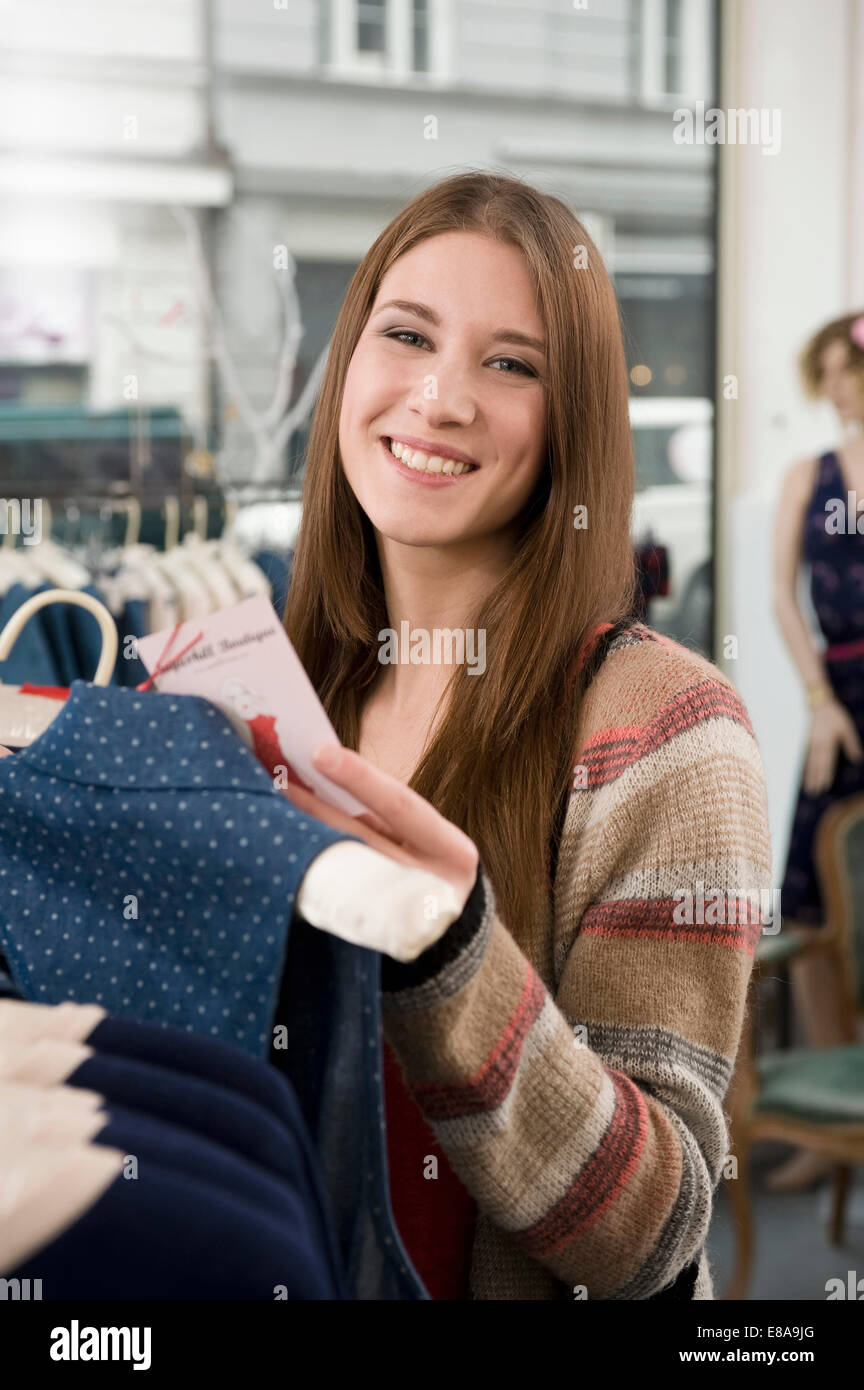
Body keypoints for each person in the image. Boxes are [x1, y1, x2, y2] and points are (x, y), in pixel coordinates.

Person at [279, 171, 772, 1300]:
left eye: (511, 364)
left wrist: (450, 951)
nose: (441, 397)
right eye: (407, 334)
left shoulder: (665, 729)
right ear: (349, 361)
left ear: (571, 422)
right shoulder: (273, 696)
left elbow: (651, 1236)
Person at [769, 310, 864, 1193]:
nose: (836, 386)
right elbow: (782, 598)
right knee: (809, 898)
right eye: (827, 370)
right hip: (837, 699)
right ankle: (822, 1119)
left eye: (849, 369)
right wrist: (820, 702)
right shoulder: (812, 474)